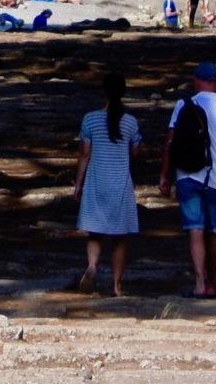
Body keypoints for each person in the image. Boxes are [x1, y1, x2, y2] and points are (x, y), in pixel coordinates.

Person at [159, 62, 216, 299]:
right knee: (215, 232)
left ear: (196, 80)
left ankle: (199, 283)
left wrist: (164, 175)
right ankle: (212, 283)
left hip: (187, 175)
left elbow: (170, 143)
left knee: (195, 230)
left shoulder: (183, 105)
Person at [73, 72, 141, 296]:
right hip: (120, 181)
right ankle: (116, 286)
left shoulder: (90, 119)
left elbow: (84, 154)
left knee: (95, 231)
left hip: (96, 180)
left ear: (103, 92)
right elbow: (134, 153)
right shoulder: (131, 122)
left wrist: (78, 185)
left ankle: (92, 266)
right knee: (120, 237)